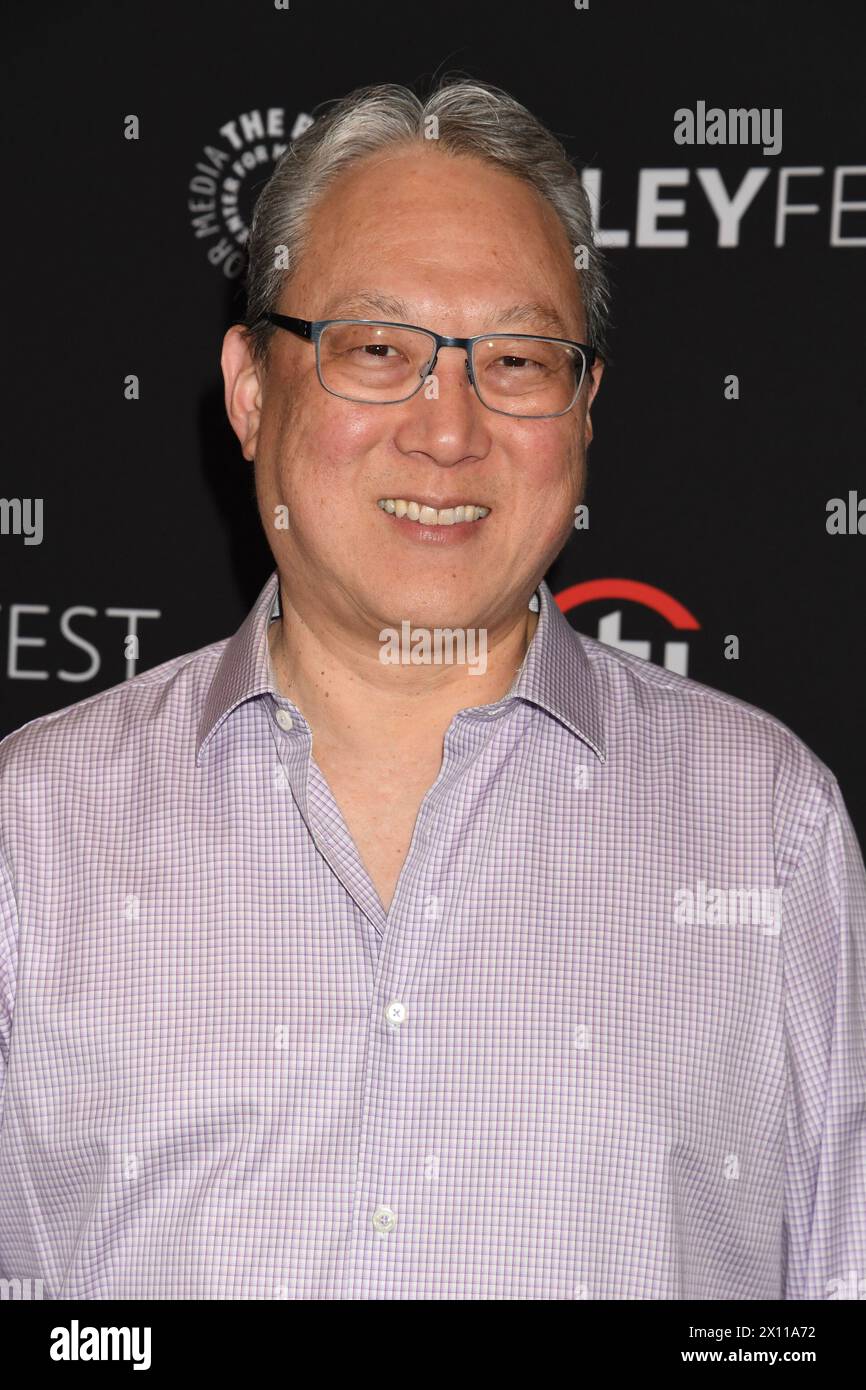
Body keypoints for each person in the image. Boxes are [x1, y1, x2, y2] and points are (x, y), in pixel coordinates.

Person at [0, 77, 863, 1301]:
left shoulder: (765, 829)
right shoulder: (31, 832)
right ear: (251, 390)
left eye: (514, 360)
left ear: (582, 411)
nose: (445, 428)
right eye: (376, 350)